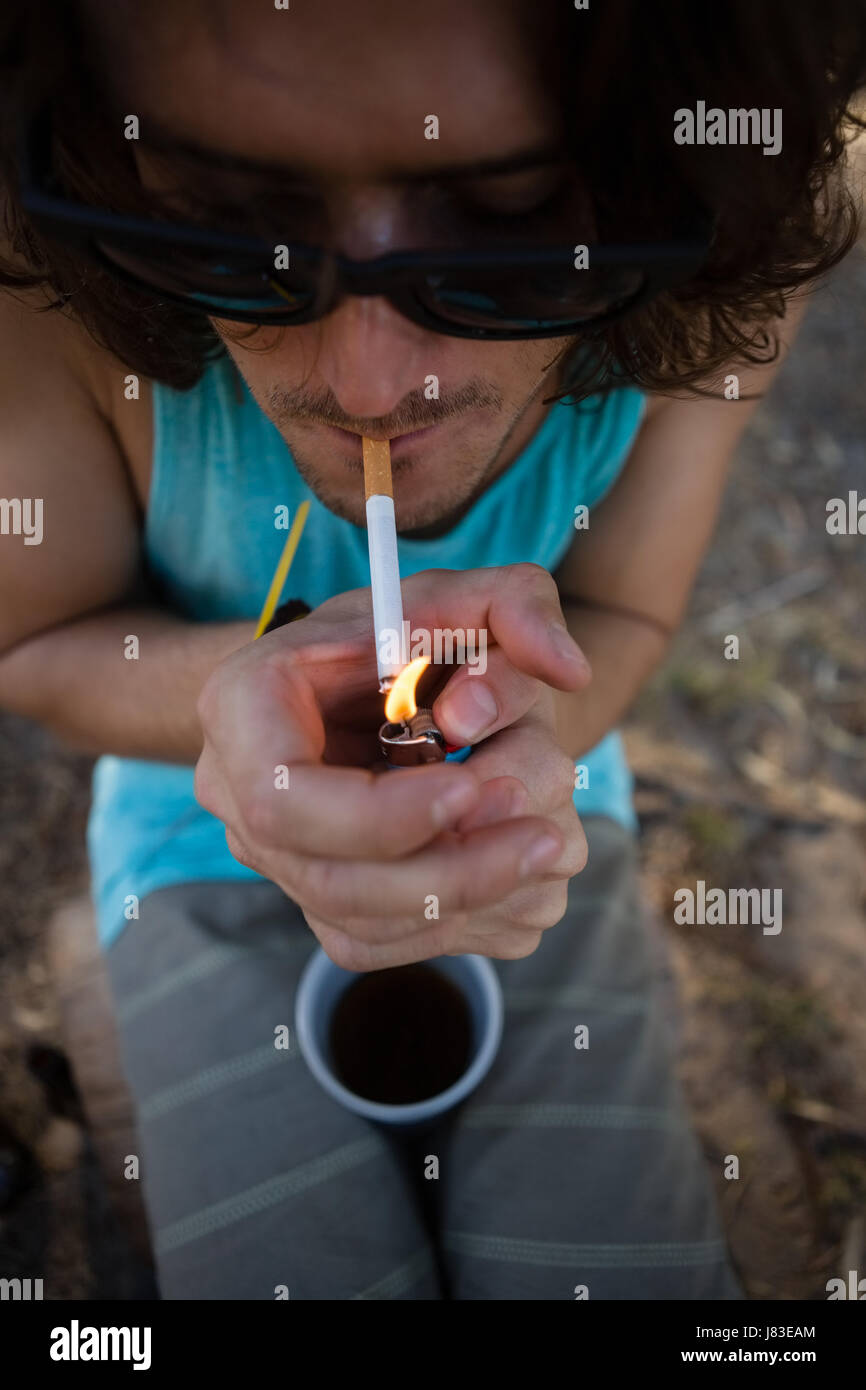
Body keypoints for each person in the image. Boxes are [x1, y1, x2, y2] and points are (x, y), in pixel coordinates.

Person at [0, 0, 864, 1300]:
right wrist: (224, 691)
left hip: (546, 827)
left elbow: (623, 616)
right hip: (186, 856)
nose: (363, 383)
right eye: (230, 226)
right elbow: (37, 641)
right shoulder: (49, 291)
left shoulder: (709, 275)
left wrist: (513, 767)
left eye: (515, 228)